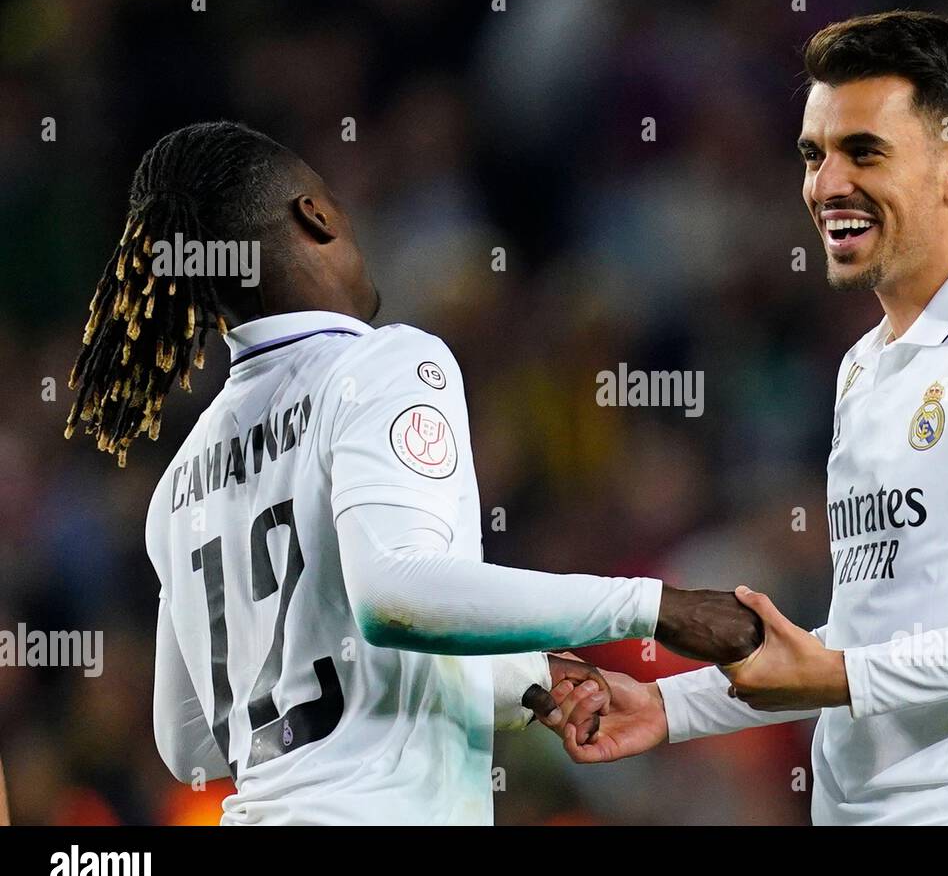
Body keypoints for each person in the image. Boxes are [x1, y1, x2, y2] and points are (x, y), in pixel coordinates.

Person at [64, 121, 760, 824]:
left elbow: (192, 744)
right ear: (317, 212)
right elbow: (395, 592)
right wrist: (654, 606)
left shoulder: (179, 480)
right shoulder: (379, 363)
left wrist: (526, 676)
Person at [555, 11, 948, 826]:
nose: (827, 185)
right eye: (813, 155)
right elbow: (877, 636)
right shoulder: (864, 367)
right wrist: (672, 708)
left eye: (864, 152)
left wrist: (845, 678)